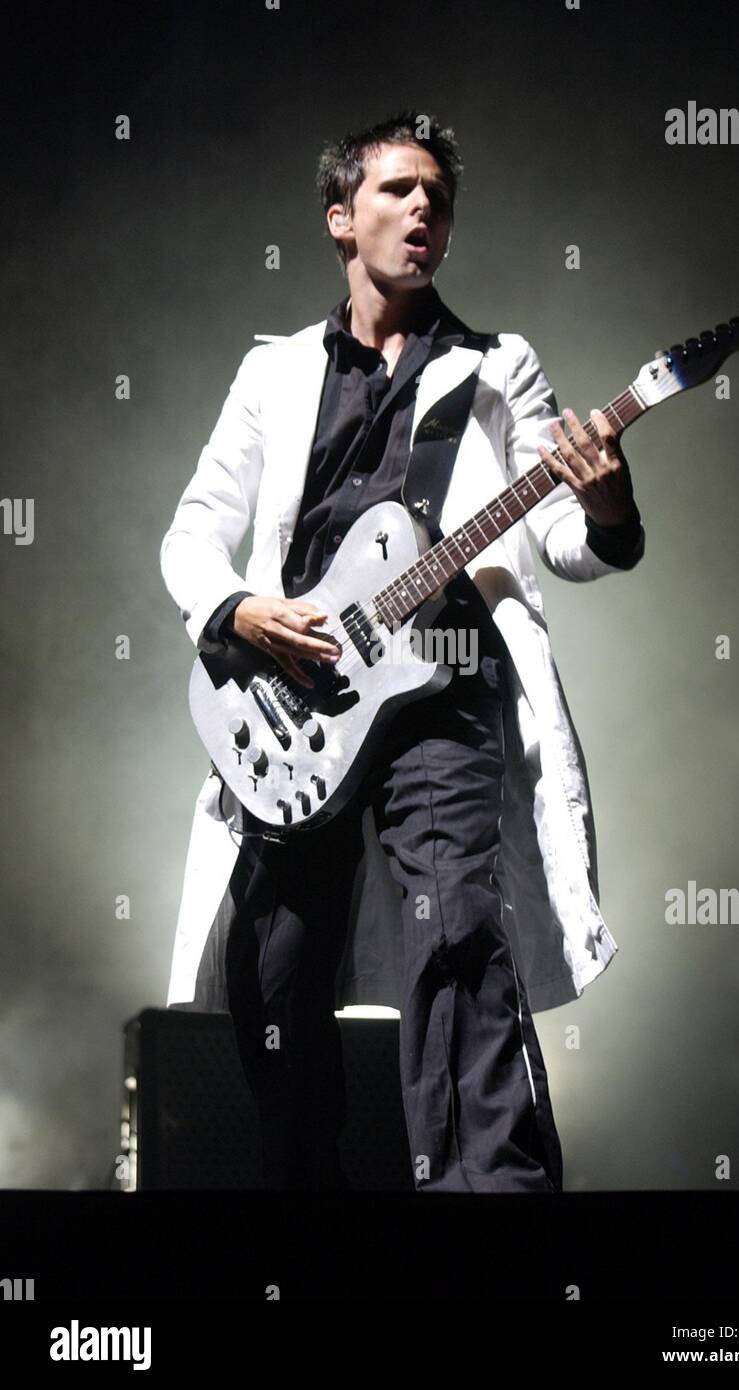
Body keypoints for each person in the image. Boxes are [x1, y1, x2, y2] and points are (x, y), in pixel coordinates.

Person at [160, 110, 645, 1193]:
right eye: (397, 190)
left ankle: (491, 1203)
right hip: (305, 700)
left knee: (460, 942)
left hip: (445, 690)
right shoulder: (275, 373)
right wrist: (237, 608)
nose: (424, 207)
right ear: (340, 219)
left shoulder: (495, 365)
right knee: (274, 971)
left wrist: (607, 502)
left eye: (439, 195)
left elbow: (561, 539)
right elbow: (193, 530)